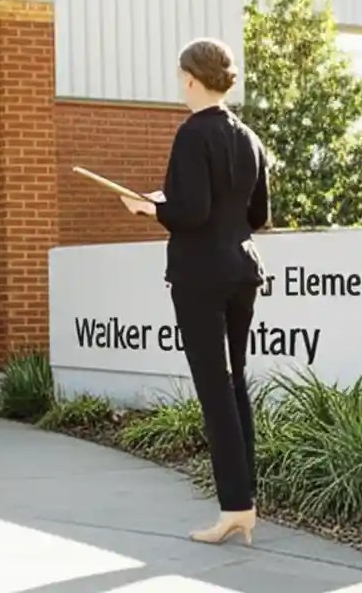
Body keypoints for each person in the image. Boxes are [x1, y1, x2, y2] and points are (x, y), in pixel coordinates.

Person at [119, 37, 270, 546]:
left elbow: (192, 212)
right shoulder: (249, 137)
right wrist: (180, 204)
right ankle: (245, 503)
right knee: (235, 383)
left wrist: (149, 207)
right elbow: (257, 216)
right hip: (242, 271)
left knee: (214, 388)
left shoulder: (191, 134)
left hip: (201, 277)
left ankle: (234, 507)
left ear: (189, 78)